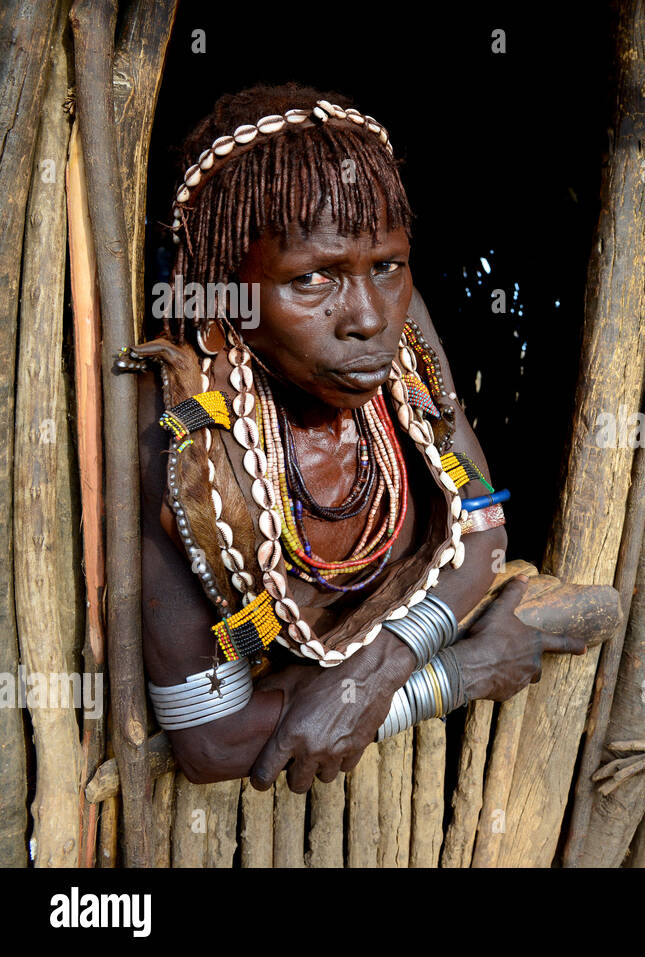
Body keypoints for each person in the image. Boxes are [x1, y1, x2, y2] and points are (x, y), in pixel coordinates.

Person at [127, 84, 587, 792]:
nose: (367, 316)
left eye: (387, 266)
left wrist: (380, 666)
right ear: (226, 292)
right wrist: (467, 668)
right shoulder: (182, 447)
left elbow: (484, 527)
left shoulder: (399, 340)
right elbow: (213, 741)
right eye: (310, 278)